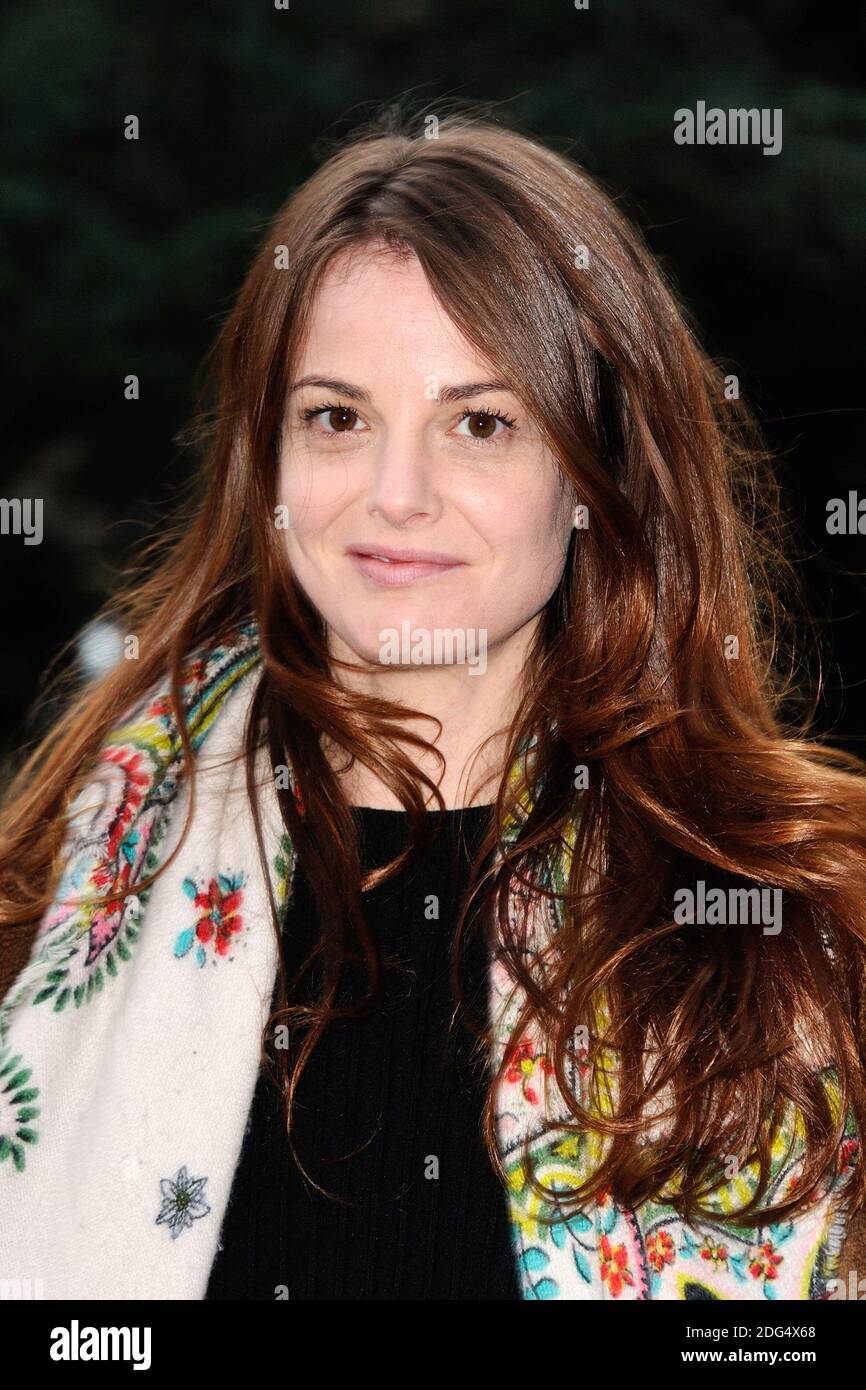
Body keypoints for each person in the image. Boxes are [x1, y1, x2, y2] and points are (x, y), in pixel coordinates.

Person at [0, 105, 864, 1301]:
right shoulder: (62, 882)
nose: (394, 494)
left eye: (479, 422)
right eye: (337, 417)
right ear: (269, 460)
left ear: (595, 471)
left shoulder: (798, 912)